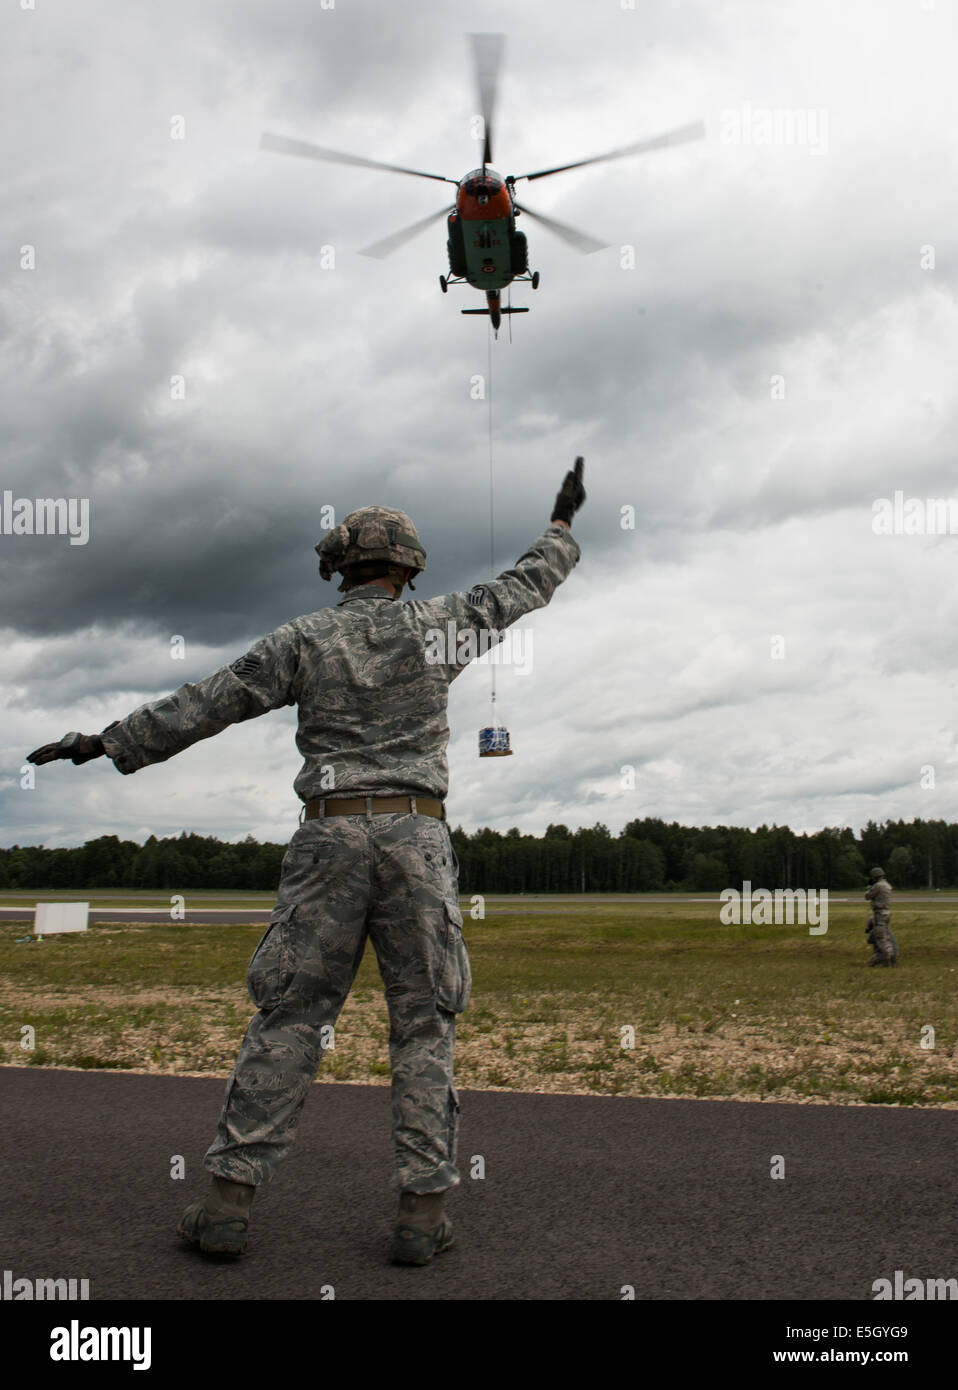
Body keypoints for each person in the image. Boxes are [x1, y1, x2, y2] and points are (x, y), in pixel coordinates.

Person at [27, 460, 586, 1264]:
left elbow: (206, 702)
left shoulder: (302, 639)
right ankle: (420, 1215)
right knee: (424, 1027)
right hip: (417, 837)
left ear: (343, 569)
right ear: (408, 568)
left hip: (326, 837)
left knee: (290, 1019)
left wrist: (106, 742)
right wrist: (561, 526)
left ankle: (227, 1205)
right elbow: (526, 584)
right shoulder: (445, 624)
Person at [864, 866, 897, 966]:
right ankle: (889, 958)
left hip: (879, 914)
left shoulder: (878, 886)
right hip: (886, 912)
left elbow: (867, 896)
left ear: (874, 877)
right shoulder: (887, 885)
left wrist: (869, 887)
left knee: (881, 939)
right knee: (886, 936)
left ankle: (888, 959)